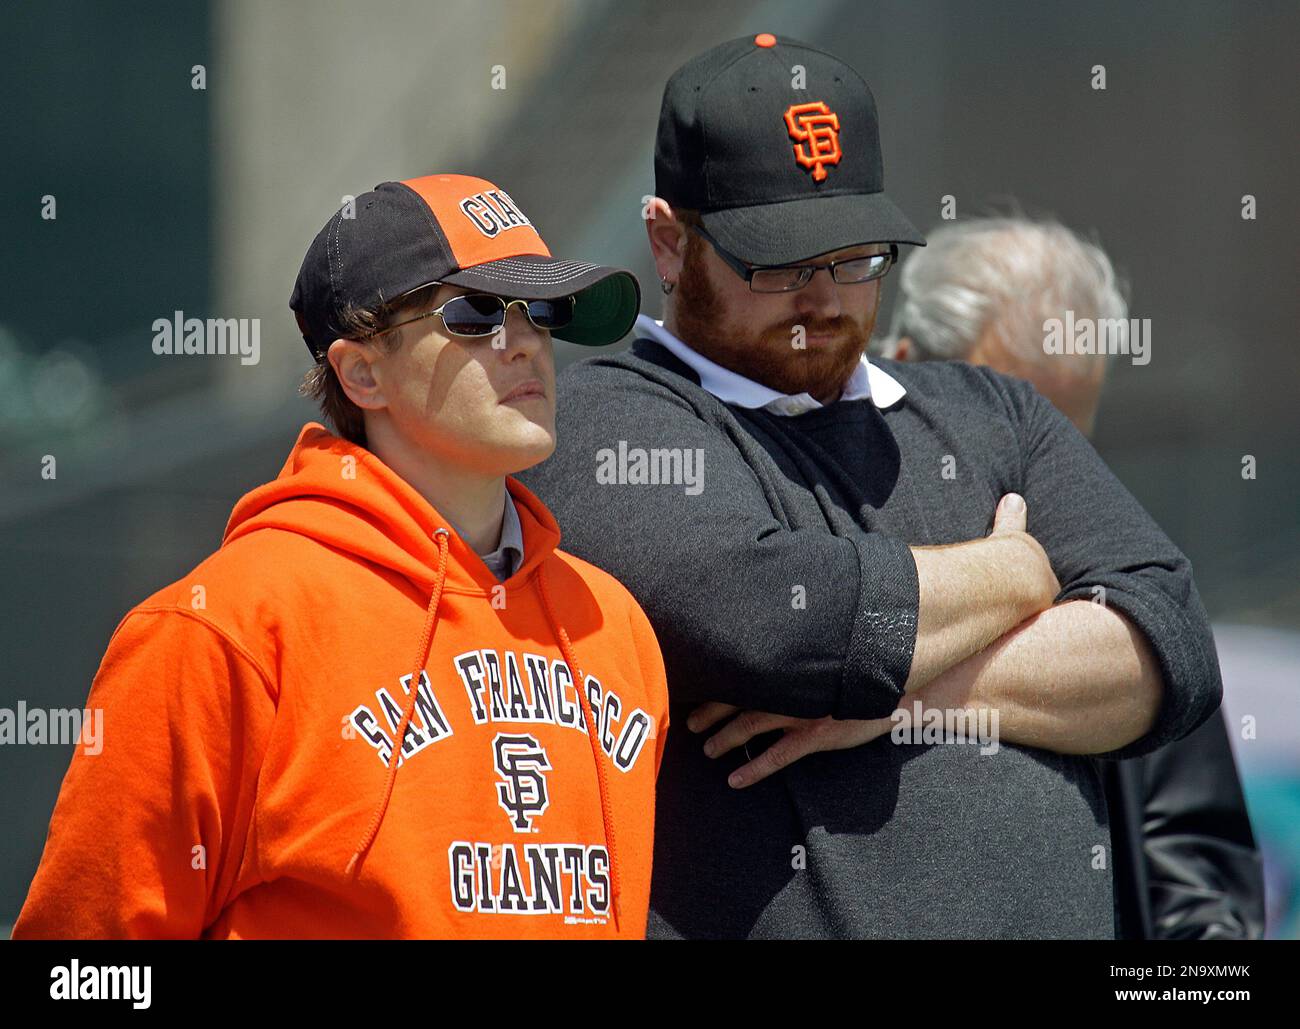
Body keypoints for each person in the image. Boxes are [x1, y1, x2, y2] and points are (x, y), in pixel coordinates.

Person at [518, 36, 1222, 938]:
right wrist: (1013, 573)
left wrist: (903, 697)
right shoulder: (609, 421)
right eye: (776, 263)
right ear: (667, 240)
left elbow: (1171, 651)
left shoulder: (994, 410)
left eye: (854, 256)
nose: (822, 298)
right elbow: (778, 623)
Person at [13, 173, 669, 939]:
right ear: (362, 372)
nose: (522, 340)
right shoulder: (223, 629)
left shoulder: (612, 625)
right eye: (475, 313)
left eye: (542, 313)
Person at [874, 215, 1265, 939]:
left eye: (1070, 439)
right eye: (1011, 430)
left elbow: (1196, 882)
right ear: (900, 368)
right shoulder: (824, 540)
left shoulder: (1134, 588)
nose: (1053, 475)